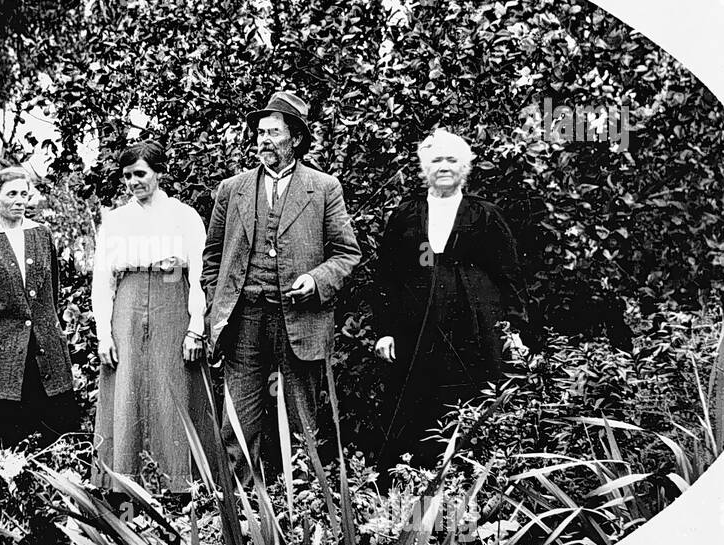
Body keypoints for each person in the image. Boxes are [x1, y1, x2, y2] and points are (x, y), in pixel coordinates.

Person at [202, 90, 362, 483]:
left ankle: (303, 506)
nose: (263, 140)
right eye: (260, 133)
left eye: (273, 132)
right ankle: (237, 510)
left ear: (296, 139)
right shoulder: (232, 189)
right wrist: (215, 304)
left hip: (300, 319)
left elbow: (347, 253)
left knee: (301, 421)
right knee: (236, 423)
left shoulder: (324, 188)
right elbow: (212, 258)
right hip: (244, 320)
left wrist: (315, 280)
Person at [371, 128, 532, 491]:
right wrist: (385, 329)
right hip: (417, 331)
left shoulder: (486, 216)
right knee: (415, 406)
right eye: (436, 161)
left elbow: (510, 277)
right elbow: (386, 279)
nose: (444, 167)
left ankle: (470, 488)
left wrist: (515, 331)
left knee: (471, 406)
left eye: (452, 160)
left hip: (474, 331)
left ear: (466, 168)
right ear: (424, 168)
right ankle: (411, 491)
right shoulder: (406, 216)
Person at [90, 140, 214, 500]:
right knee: (127, 385)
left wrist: (196, 327)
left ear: (159, 172)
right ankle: (124, 484)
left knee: (171, 384)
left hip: (171, 299)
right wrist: (104, 333)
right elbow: (103, 280)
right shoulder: (115, 220)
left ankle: (179, 485)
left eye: (141, 174)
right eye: (127, 176)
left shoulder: (184, 215)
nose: (133, 182)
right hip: (127, 308)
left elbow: (200, 276)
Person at [0, 166, 77, 471]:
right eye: (11, 194)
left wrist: (50, 328)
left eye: (25, 194)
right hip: (1, 352)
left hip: (43, 348)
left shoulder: (41, 234)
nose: (19, 200)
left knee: (53, 431)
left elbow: (53, 289)